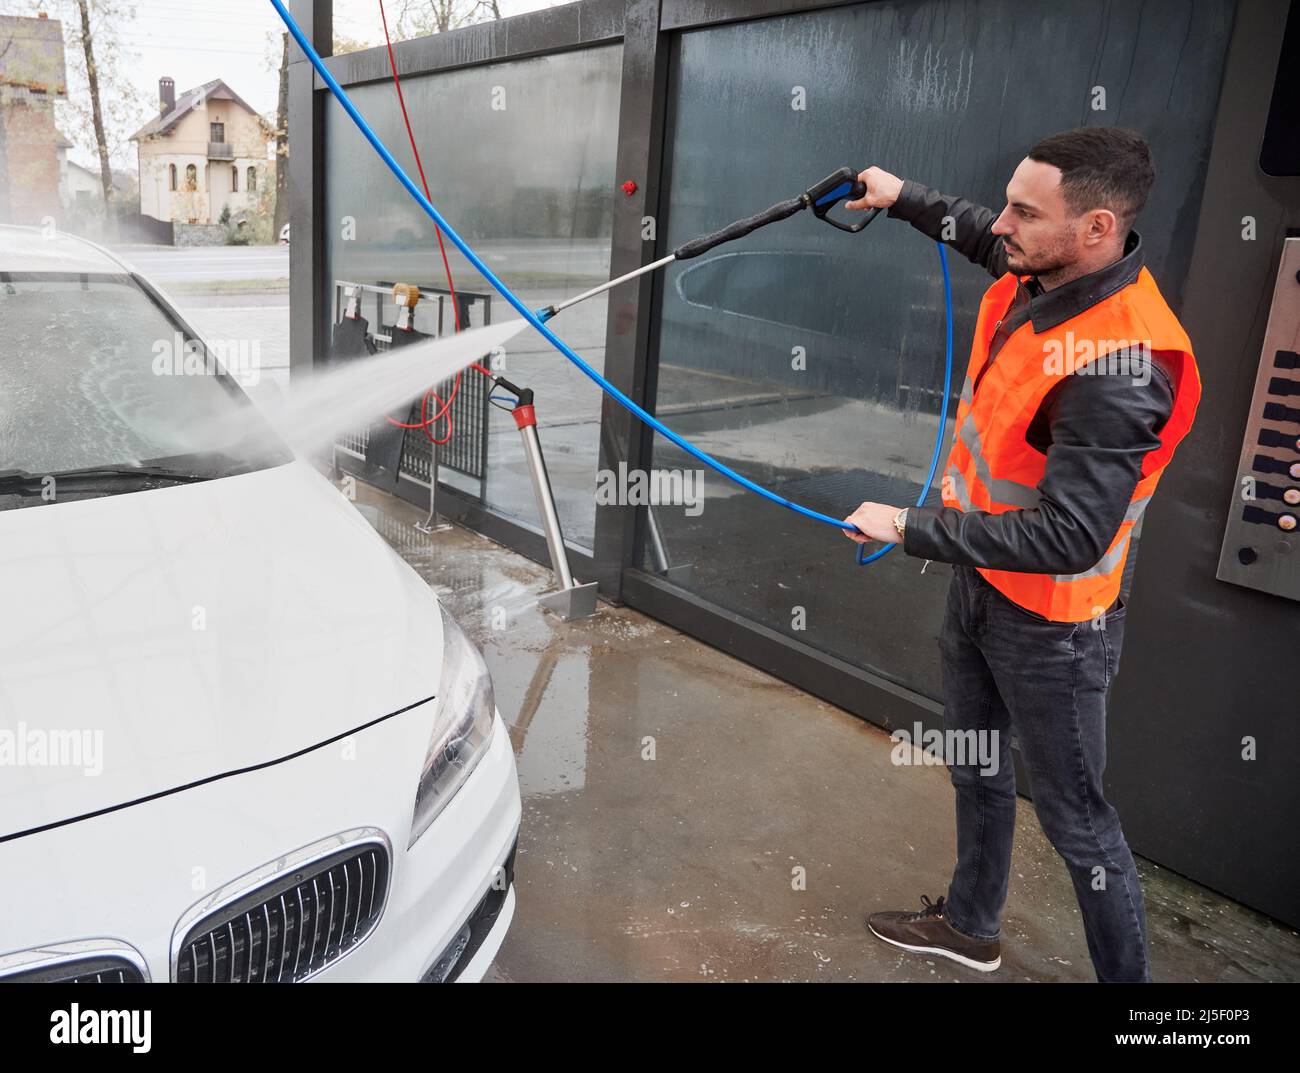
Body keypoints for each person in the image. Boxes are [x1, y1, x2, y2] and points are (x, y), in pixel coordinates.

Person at [841, 127, 1202, 982]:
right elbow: (974, 227)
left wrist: (907, 525)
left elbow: (1071, 534)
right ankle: (972, 928)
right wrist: (900, 197)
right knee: (977, 766)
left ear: (1097, 229)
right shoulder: (1038, 265)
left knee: (1079, 824)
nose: (1000, 223)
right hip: (981, 584)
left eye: (1024, 211)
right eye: (1008, 200)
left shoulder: (1123, 360)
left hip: (1054, 626)